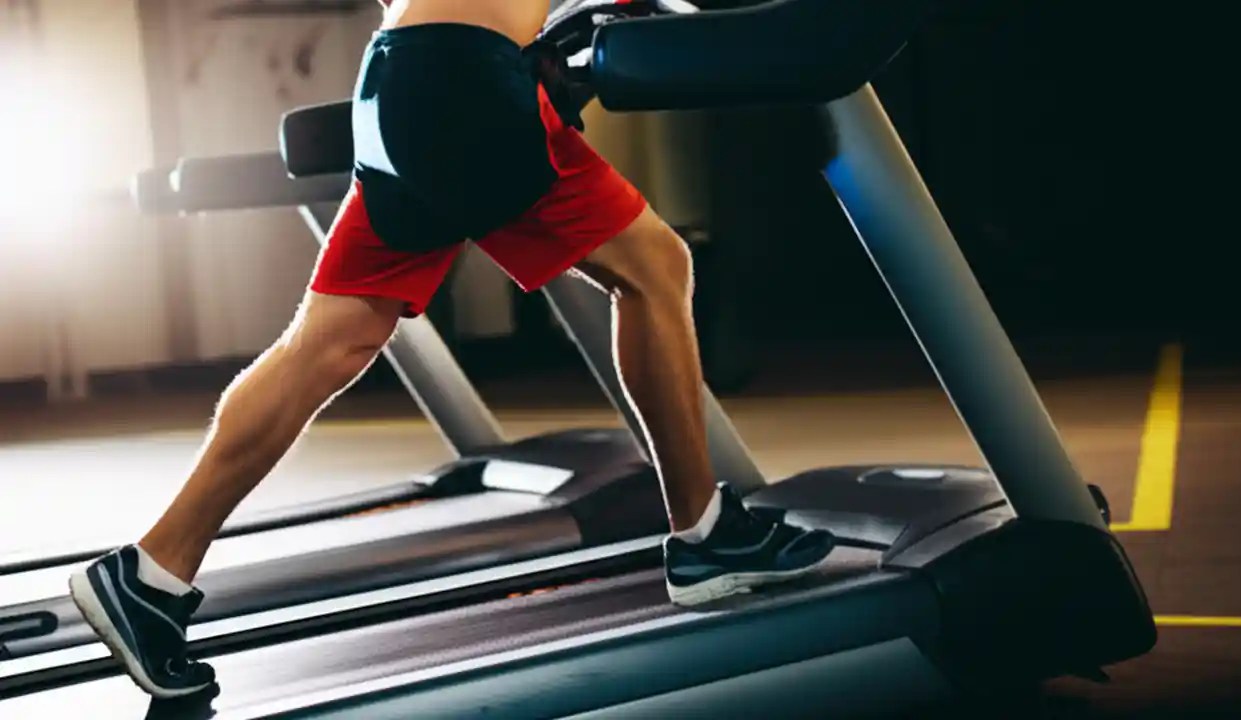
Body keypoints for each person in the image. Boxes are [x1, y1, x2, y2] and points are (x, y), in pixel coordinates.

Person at [68, 0, 835, 699]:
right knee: (655, 268)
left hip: (396, 75)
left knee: (329, 343)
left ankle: (150, 574)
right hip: (469, 79)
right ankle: (705, 536)